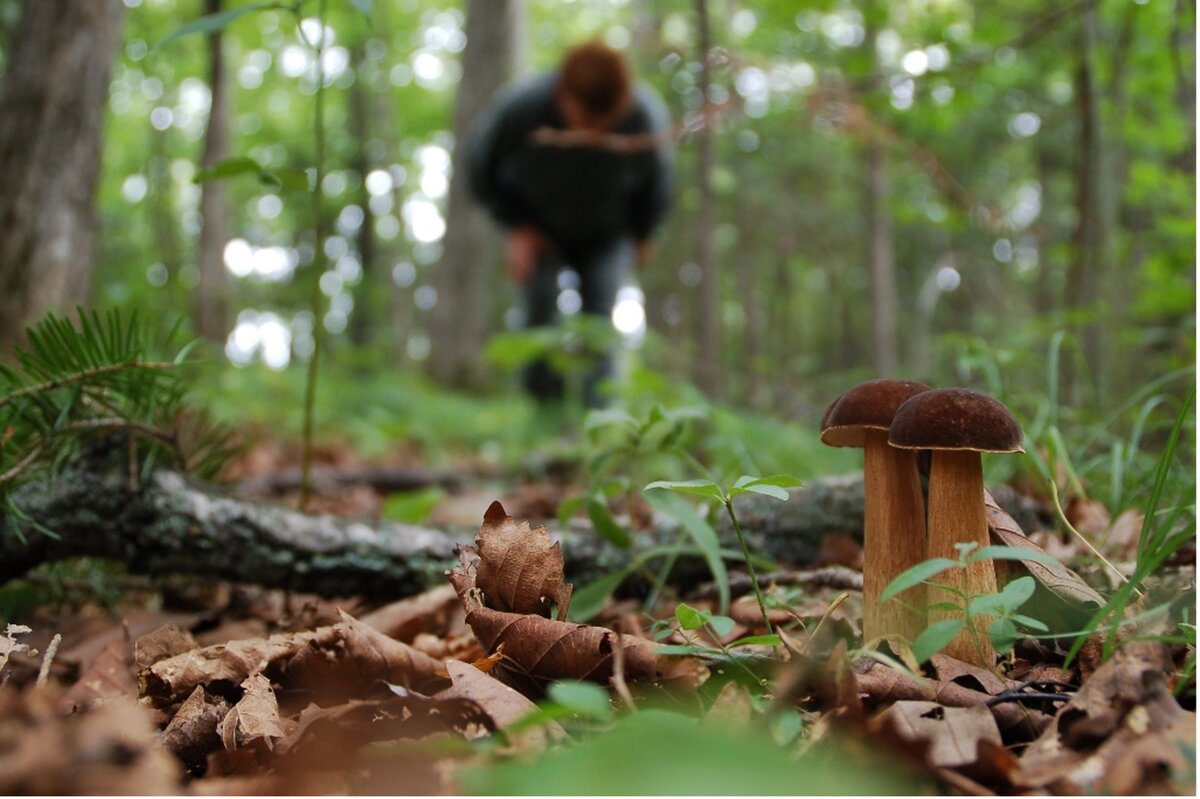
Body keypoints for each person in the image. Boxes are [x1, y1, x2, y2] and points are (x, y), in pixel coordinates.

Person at [464, 41, 674, 406]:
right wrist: (516, 226)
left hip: (609, 234)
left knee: (600, 324)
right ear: (563, 95)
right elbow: (478, 168)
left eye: (608, 122)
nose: (598, 131)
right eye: (589, 121)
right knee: (538, 312)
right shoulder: (521, 109)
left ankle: (601, 421)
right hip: (540, 230)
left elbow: (659, 183)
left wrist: (644, 235)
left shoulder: (644, 115)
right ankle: (543, 415)